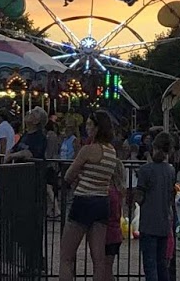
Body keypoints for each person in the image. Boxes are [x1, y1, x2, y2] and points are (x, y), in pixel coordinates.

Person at [61, 109, 121, 281]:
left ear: (96, 128)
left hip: (83, 200)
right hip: (102, 203)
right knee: (99, 260)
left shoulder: (88, 150)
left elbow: (68, 175)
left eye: (89, 124)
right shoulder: (111, 152)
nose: (86, 127)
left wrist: (78, 177)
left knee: (66, 256)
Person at [136, 131, 177, 281]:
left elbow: (139, 198)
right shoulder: (171, 170)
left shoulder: (145, 170)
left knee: (150, 266)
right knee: (162, 266)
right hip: (163, 223)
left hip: (148, 224)